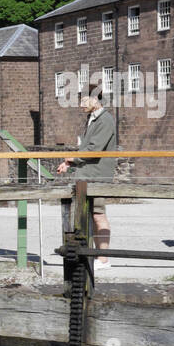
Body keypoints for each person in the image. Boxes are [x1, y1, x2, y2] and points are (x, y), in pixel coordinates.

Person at [56, 95, 116, 266]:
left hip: (96, 175)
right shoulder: (93, 119)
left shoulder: (105, 120)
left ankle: (103, 259)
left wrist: (72, 159)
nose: (80, 104)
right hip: (87, 174)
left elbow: (94, 149)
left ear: (96, 101)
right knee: (86, 214)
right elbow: (86, 149)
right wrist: (69, 163)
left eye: (84, 101)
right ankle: (91, 255)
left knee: (98, 214)